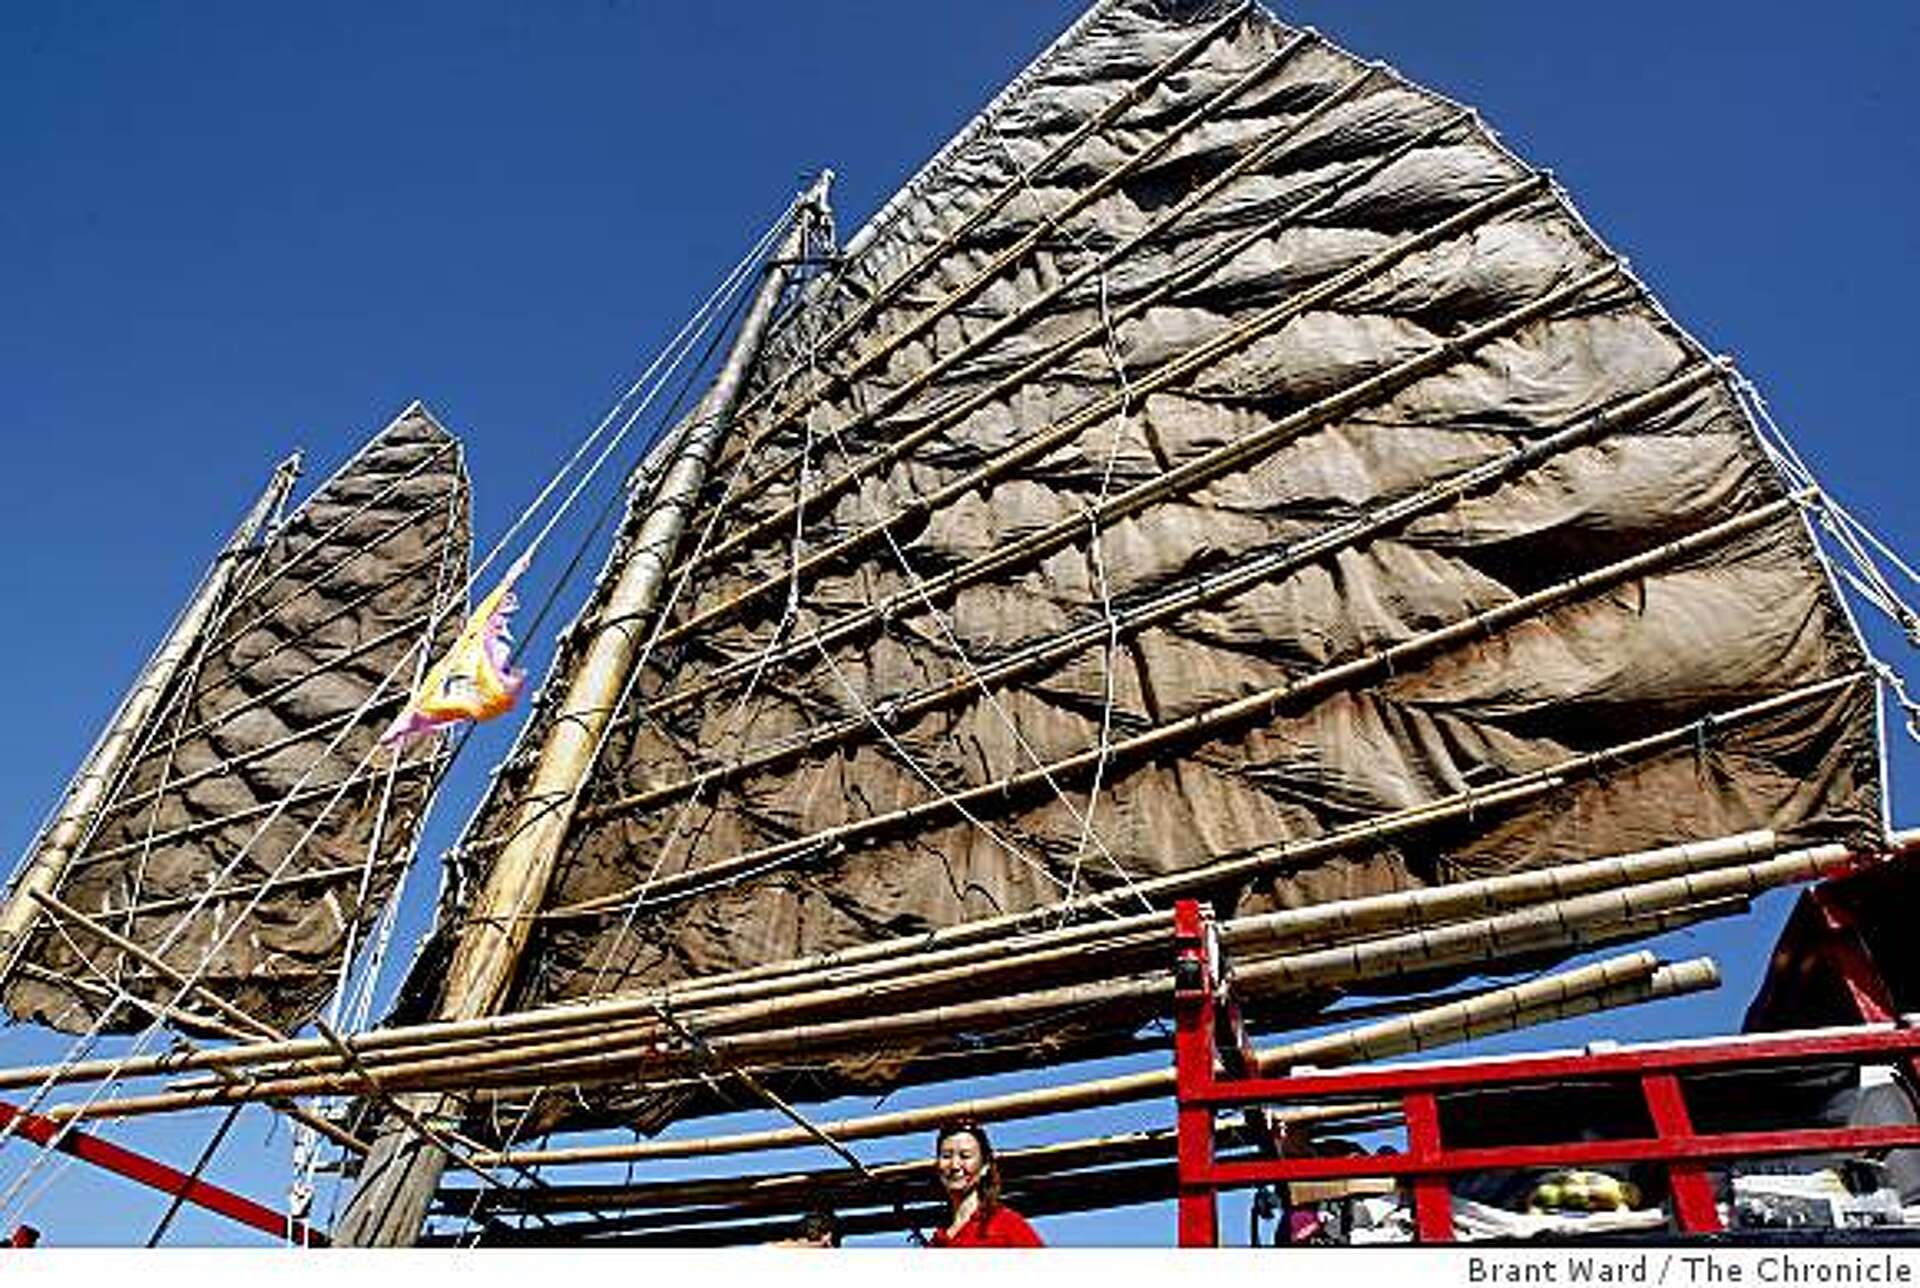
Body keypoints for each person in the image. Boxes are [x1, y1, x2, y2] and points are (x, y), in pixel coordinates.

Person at [929, 1118, 1043, 1247]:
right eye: (946, 1156)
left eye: (965, 1156)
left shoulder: (1007, 1224)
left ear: (984, 1167)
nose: (955, 1165)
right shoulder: (937, 1241)